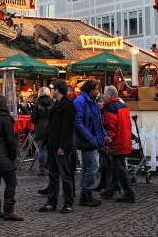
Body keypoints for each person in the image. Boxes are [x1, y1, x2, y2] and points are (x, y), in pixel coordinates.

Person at [38, 79, 77, 214]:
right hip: (52, 145)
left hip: (61, 147)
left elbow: (67, 128)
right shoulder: (57, 104)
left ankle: (68, 203)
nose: (51, 90)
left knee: (65, 175)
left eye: (52, 88)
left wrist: (62, 146)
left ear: (58, 90)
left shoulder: (68, 105)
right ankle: (51, 202)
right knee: (53, 175)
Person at [73, 80, 105, 207]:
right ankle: (86, 194)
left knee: (90, 167)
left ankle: (86, 194)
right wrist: (90, 138)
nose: (98, 91)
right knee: (92, 167)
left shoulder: (90, 101)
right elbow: (78, 122)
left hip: (92, 139)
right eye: (96, 89)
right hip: (88, 141)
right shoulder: (81, 101)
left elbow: (98, 122)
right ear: (91, 90)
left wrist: (104, 134)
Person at [101, 86, 134, 202]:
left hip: (117, 142)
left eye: (104, 93)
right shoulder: (122, 104)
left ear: (109, 95)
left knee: (119, 168)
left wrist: (107, 140)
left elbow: (110, 126)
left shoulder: (111, 107)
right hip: (124, 139)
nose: (103, 95)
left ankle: (129, 193)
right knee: (117, 167)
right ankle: (110, 190)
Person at [30, 86, 53, 175]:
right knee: (50, 150)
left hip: (40, 128)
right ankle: (50, 168)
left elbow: (33, 118)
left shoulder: (37, 103)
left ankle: (42, 169)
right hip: (51, 128)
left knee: (42, 149)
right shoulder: (52, 102)